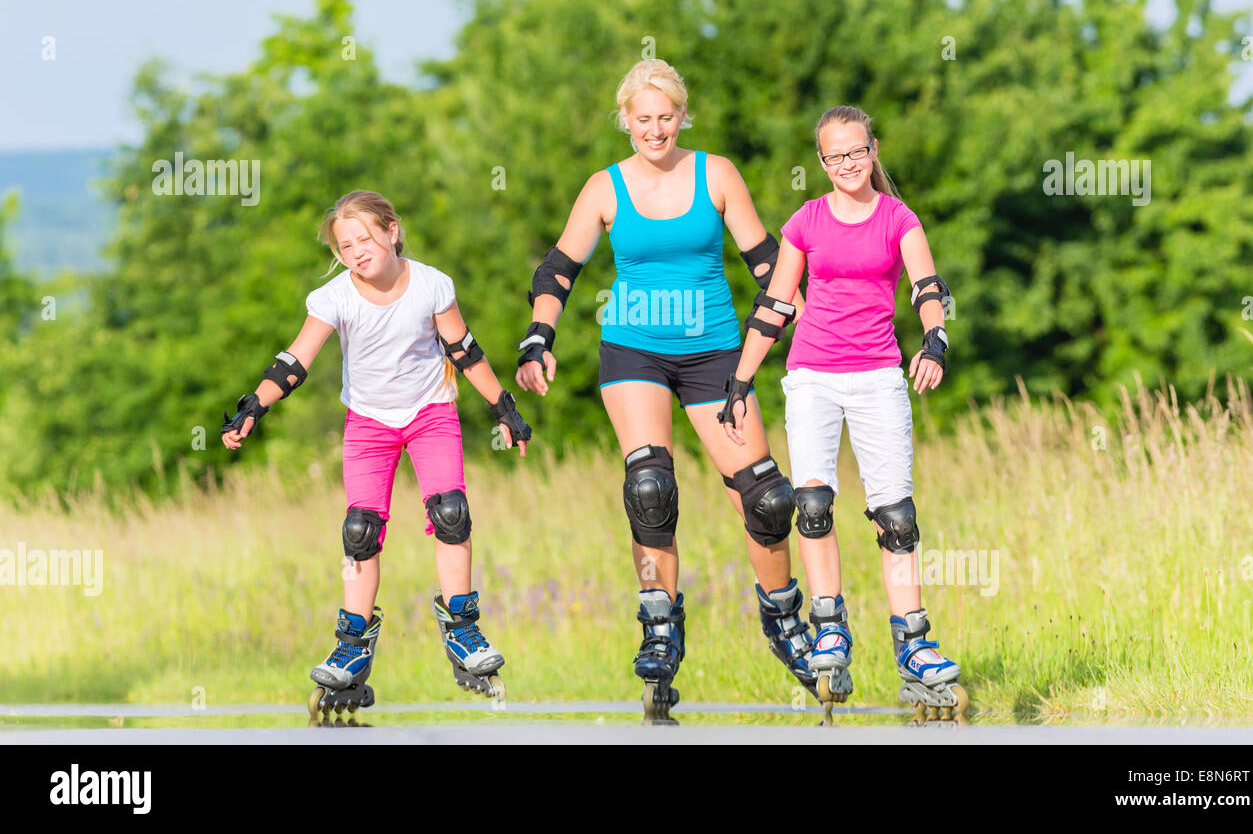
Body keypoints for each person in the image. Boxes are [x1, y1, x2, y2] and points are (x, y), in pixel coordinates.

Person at [514, 59, 819, 722]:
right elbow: (559, 269)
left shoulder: (718, 173)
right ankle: (660, 627)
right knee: (650, 488)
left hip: (715, 351)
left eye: (666, 116)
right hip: (634, 351)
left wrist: (810, 312)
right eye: (642, 118)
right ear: (626, 120)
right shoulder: (605, 187)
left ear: (683, 116)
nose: (655, 129)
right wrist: (538, 338)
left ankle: (783, 619)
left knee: (768, 498)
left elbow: (767, 260)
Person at [220, 190, 532, 721]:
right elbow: (295, 360)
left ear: (392, 231)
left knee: (451, 512)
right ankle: (352, 644)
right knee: (360, 530)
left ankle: (463, 630)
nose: (357, 251)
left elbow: (464, 350)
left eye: (365, 238)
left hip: (432, 412)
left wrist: (504, 406)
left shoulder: (432, 285)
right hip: (368, 423)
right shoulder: (334, 297)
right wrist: (255, 405)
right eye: (345, 246)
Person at [718, 105, 969, 725]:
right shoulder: (805, 222)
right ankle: (830, 628)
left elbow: (928, 289)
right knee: (812, 503)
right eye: (835, 157)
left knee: (896, 515)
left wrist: (934, 341)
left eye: (857, 152)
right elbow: (776, 302)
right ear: (823, 162)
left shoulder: (897, 218)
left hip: (879, 374)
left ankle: (915, 645)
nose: (849, 165)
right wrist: (741, 380)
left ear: (873, 150)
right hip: (812, 376)